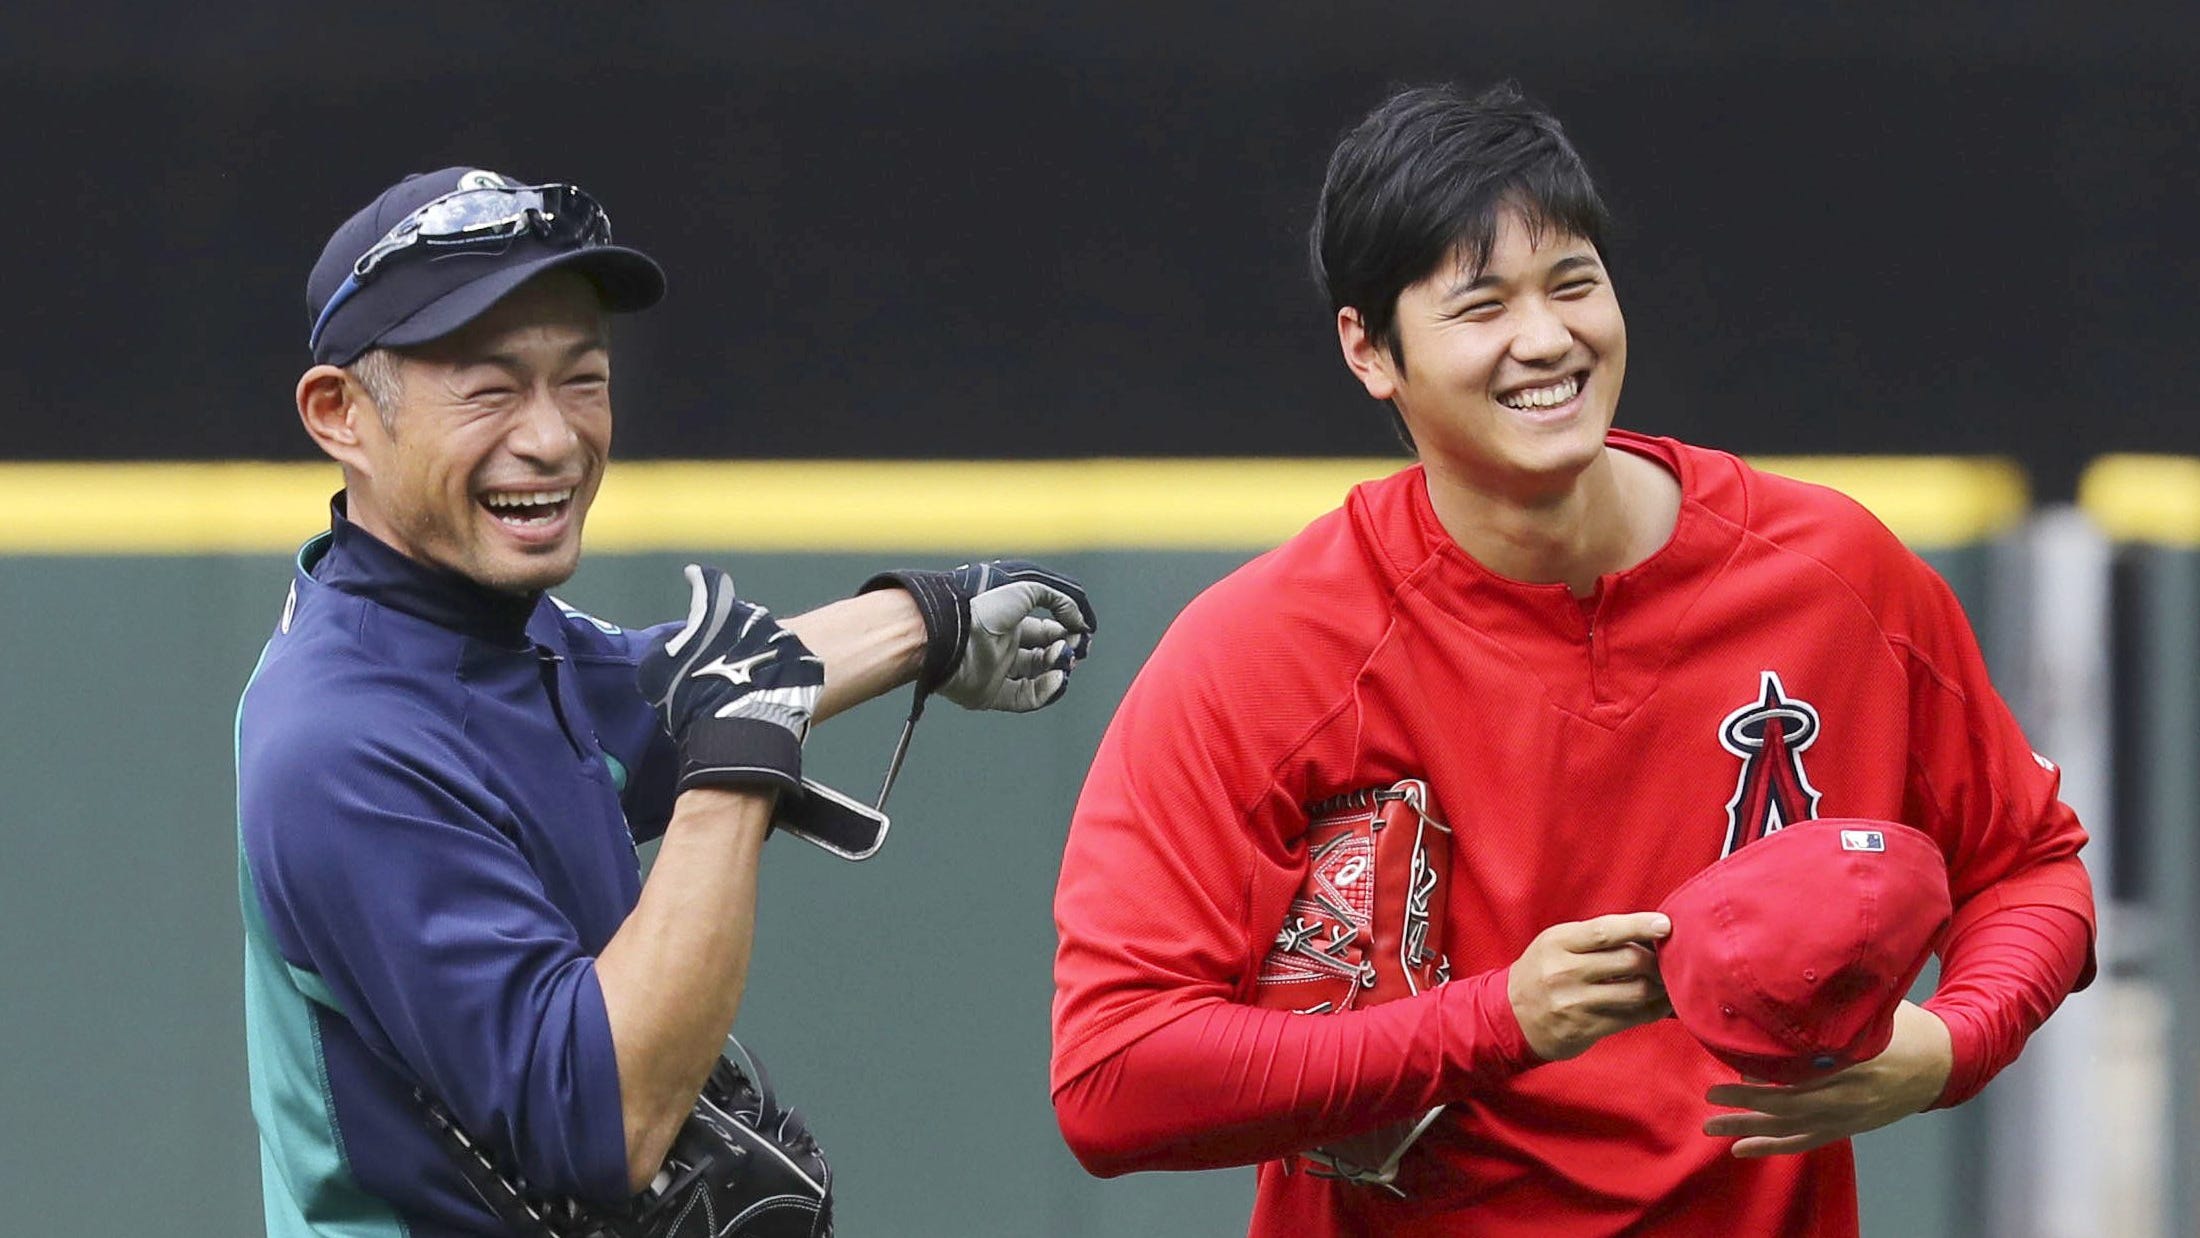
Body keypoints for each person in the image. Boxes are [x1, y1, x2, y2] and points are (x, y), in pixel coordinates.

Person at [1048, 83, 2095, 1236]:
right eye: (1480, 303)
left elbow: (2029, 863)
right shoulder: (1263, 650)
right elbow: (1111, 1072)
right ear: (1368, 348)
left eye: (1573, 282)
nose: (1544, 338)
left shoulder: (1832, 575)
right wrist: (1496, 1020)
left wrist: (1950, 1042)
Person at [237, 168, 1095, 1236]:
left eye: (582, 379)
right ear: (341, 415)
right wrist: (740, 768)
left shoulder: (463, 632)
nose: (552, 436)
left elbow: (663, 684)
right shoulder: (343, 739)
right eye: (489, 388)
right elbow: (605, 1117)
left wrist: (924, 623)